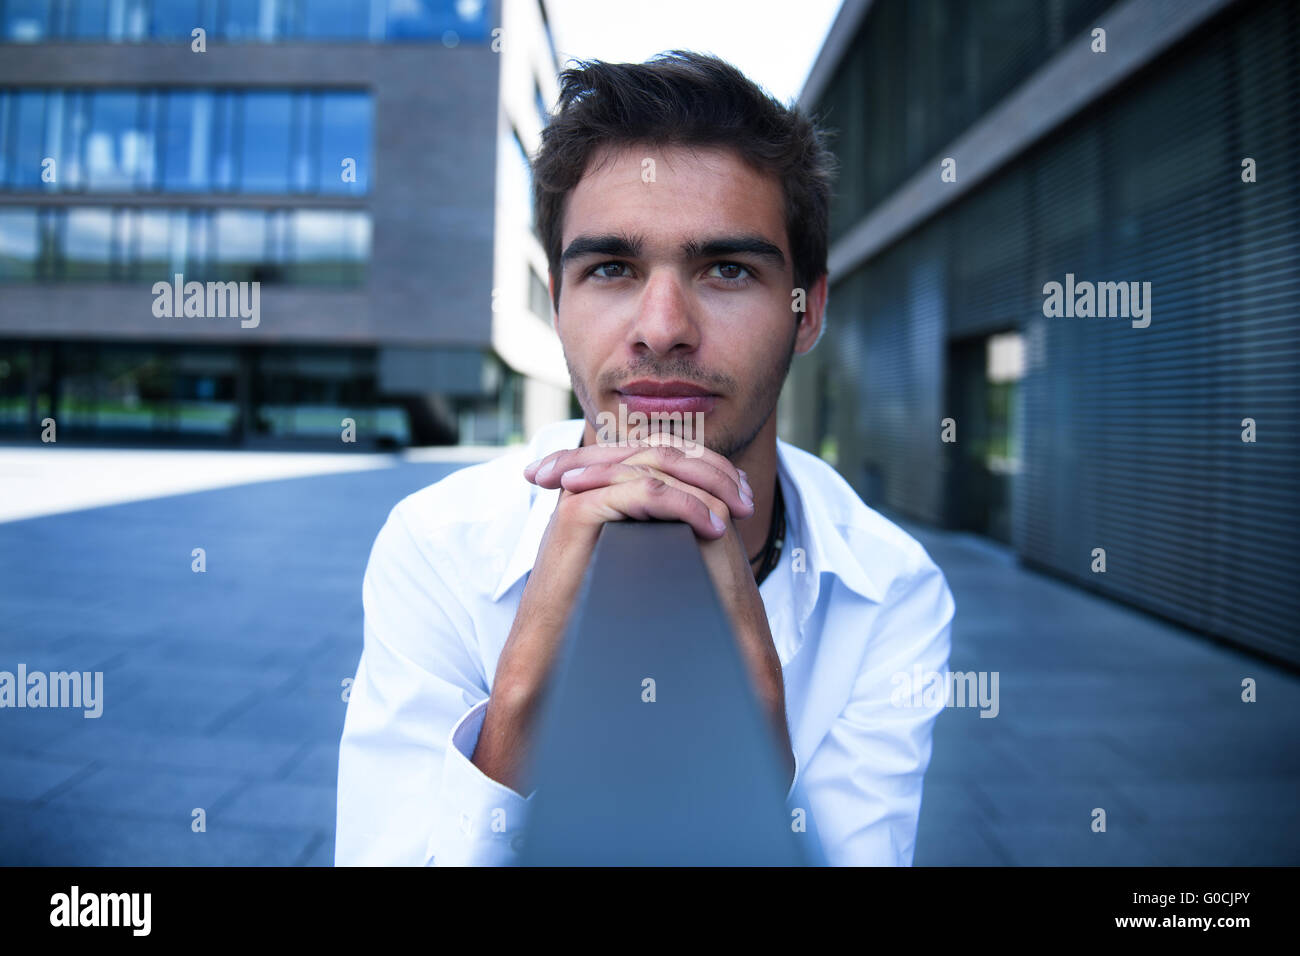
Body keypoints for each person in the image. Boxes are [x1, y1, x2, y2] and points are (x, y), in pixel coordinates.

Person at [336, 50, 954, 866]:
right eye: (613, 269)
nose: (662, 326)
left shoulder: (891, 591)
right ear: (556, 305)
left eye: (727, 268)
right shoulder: (438, 545)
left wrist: (758, 719)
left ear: (809, 313)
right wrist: (517, 698)